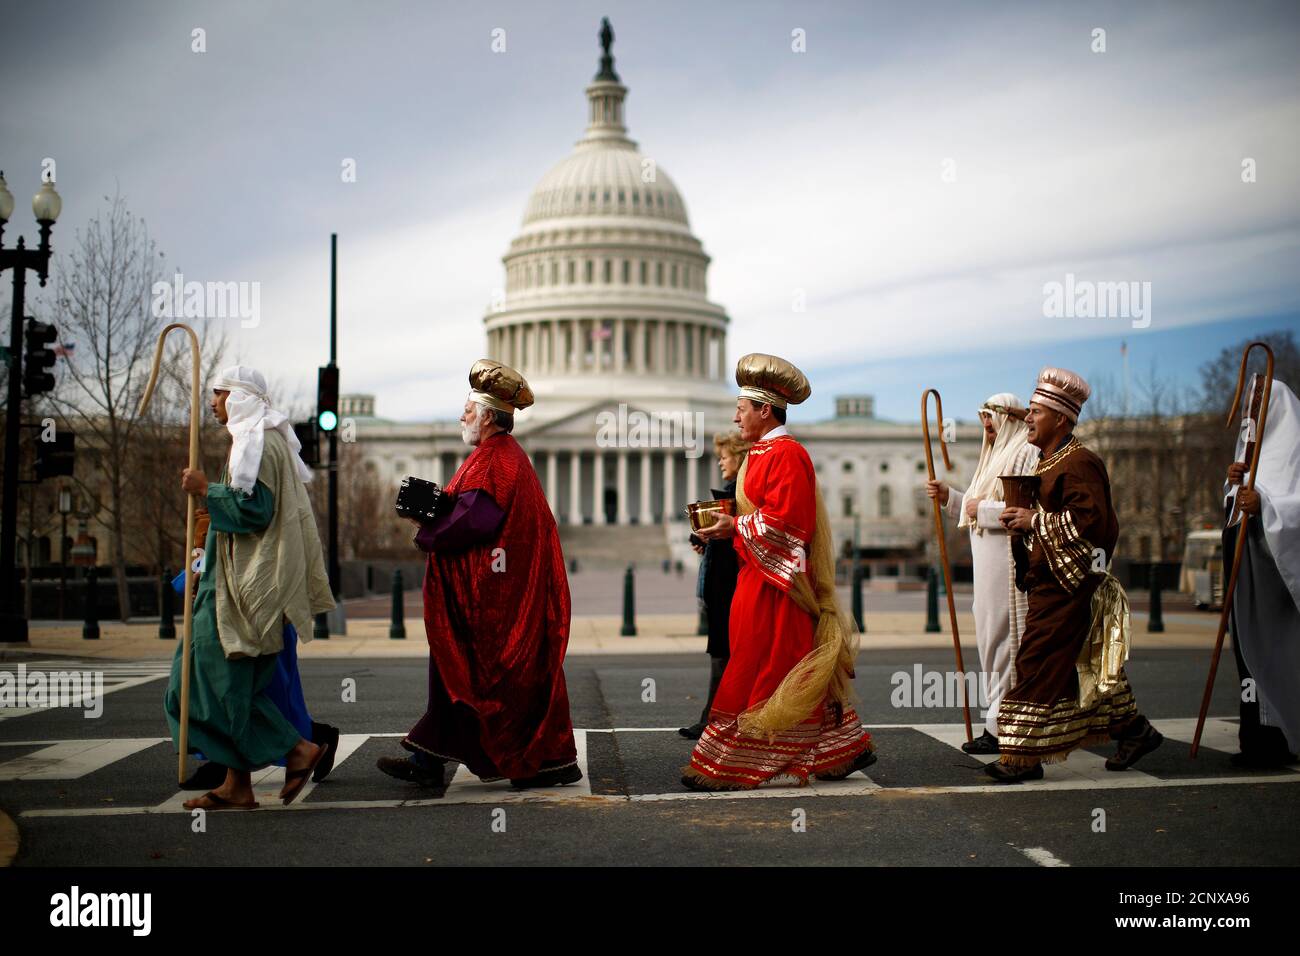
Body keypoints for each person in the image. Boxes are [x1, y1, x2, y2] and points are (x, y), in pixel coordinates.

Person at [378, 359, 580, 790]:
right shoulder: (499, 457)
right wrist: (439, 507)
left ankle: (536, 760)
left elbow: (477, 520)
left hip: (492, 599)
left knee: (474, 675)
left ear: (488, 416)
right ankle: (431, 760)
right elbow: (474, 511)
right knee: (461, 676)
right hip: (494, 589)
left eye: (468, 410)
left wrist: (428, 528)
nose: (461, 416)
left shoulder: (495, 460)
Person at [683, 353, 875, 790]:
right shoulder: (762, 453)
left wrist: (738, 525)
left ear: (764, 410)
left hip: (777, 585)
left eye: (741, 408)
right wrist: (725, 526)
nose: (735, 417)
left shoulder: (787, 454)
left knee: (768, 667)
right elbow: (764, 514)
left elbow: (791, 525)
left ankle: (741, 761)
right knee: (782, 666)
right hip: (758, 574)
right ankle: (839, 748)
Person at [163, 366, 335, 809]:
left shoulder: (254, 441)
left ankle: (299, 749)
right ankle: (236, 784)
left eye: (218, 395)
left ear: (239, 397)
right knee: (234, 685)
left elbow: (254, 511)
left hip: (242, 587)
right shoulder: (258, 439)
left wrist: (206, 491)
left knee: (201, 680)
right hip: (237, 580)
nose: (213, 403)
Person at [991, 367, 1162, 782]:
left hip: (1071, 584)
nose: (1027, 419)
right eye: (1028, 412)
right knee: (1076, 665)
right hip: (1051, 580)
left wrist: (1034, 522)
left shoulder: (1081, 462)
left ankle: (1022, 755)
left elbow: (1094, 523)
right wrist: (1026, 525)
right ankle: (1133, 730)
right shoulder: (1047, 462)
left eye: (1035, 412)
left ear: (1061, 419)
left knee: (1037, 660)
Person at [925, 394, 1039, 754]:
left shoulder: (1025, 451)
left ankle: (1002, 724)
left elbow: (1024, 506)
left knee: (1005, 639)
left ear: (1007, 419)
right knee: (990, 637)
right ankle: (997, 717)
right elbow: (975, 504)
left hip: (1007, 561)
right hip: (986, 561)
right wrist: (950, 496)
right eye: (982, 419)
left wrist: (982, 509)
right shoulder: (993, 454)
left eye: (990, 419)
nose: (985, 427)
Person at [1223, 375, 1300, 768]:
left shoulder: (1293, 447)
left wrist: (1266, 505)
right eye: (1249, 404)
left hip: (1277, 574)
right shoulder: (1251, 449)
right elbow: (1234, 510)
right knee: (1248, 654)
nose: (1250, 411)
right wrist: (1234, 487)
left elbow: (1294, 505)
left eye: (1257, 403)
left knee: (1275, 652)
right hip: (1248, 567)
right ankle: (1257, 739)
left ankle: (1280, 737)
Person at [679, 432, 751, 739]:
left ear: (739, 457)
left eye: (724, 456)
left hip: (728, 584)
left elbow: (738, 532)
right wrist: (703, 537)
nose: (720, 461)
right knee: (723, 651)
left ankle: (714, 718)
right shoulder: (735, 492)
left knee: (723, 650)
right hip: (724, 582)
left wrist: (708, 534)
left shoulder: (741, 494)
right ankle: (715, 716)